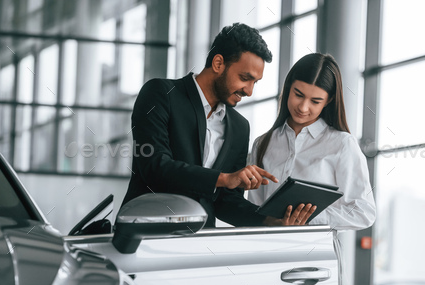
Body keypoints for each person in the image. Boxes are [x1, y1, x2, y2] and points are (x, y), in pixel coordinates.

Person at [122, 23, 315, 227]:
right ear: (218, 63)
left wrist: (271, 221)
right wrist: (223, 179)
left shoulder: (240, 127)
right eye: (244, 78)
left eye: (255, 82)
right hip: (145, 233)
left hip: (201, 245)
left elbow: (227, 203)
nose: (249, 91)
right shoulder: (161, 94)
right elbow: (154, 166)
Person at [247, 53, 376, 229]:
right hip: (270, 251)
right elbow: (255, 213)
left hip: (318, 253)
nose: (303, 107)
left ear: (328, 101)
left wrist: (310, 217)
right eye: (298, 94)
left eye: (315, 101)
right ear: (288, 87)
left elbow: (364, 212)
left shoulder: (342, 144)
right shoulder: (262, 144)